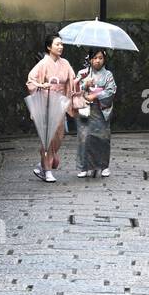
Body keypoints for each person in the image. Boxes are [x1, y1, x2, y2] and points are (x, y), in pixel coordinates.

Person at [26, 33, 77, 183]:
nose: (60, 47)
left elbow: (72, 81)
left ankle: (42, 165)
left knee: (59, 136)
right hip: (46, 103)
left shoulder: (65, 63)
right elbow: (31, 80)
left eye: (61, 44)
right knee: (47, 136)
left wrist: (83, 82)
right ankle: (47, 170)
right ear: (49, 47)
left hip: (60, 102)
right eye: (57, 44)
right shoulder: (43, 64)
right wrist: (42, 85)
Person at [74, 49, 117, 177]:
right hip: (85, 109)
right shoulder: (83, 73)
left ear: (104, 60)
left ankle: (103, 166)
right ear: (90, 59)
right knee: (84, 138)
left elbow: (111, 91)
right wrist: (84, 85)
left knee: (102, 138)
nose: (98, 61)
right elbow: (73, 89)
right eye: (95, 58)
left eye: (100, 58)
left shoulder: (108, 75)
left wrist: (96, 95)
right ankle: (83, 167)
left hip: (101, 110)